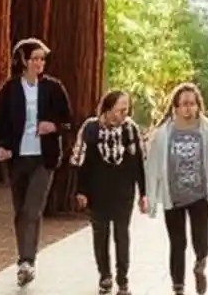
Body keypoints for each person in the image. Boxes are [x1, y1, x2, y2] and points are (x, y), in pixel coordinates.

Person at [0, 37, 73, 287]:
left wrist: (53, 126)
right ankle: (23, 261)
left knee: (32, 209)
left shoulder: (53, 88)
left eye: (42, 59)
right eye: (35, 58)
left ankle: (27, 261)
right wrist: (2, 145)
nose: (40, 63)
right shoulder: (9, 90)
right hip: (17, 158)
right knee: (20, 211)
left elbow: (68, 121)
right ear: (24, 61)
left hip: (43, 158)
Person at [145, 83, 208, 295]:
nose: (188, 108)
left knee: (202, 242)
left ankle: (200, 264)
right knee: (177, 243)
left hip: (199, 195)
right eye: (184, 104)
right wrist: (151, 198)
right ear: (176, 107)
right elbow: (153, 166)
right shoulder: (164, 133)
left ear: (198, 106)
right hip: (173, 197)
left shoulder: (206, 129)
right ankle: (178, 287)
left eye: (192, 104)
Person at [71, 90, 148, 295]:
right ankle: (105, 276)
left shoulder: (130, 129)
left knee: (122, 234)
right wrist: (81, 190)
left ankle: (123, 280)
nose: (124, 114)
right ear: (108, 108)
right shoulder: (90, 128)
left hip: (123, 192)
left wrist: (143, 193)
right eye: (120, 110)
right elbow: (81, 162)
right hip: (98, 192)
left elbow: (139, 163)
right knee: (100, 234)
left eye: (126, 110)